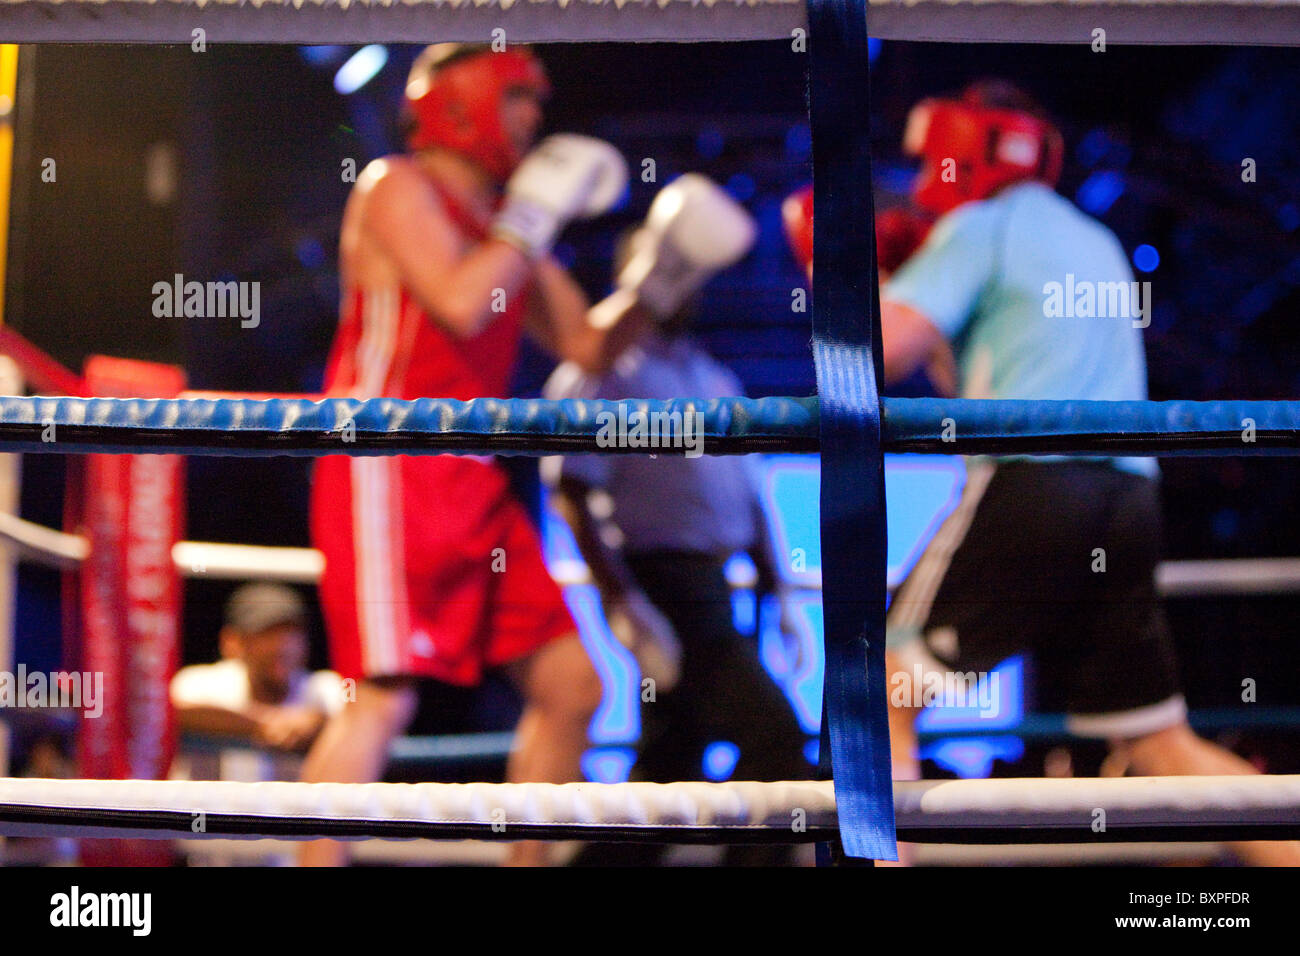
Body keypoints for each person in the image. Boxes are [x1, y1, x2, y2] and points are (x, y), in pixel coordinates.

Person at [302, 44, 755, 866]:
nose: (533, 119)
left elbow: (587, 344)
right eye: (517, 99)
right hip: (387, 460)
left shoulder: (512, 224)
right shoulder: (397, 187)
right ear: (466, 99)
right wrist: (529, 219)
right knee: (382, 698)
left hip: (473, 477)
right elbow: (463, 302)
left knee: (574, 685)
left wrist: (660, 278)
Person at [864, 79, 1300, 866]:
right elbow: (981, 386)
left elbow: (873, 356)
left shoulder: (979, 227)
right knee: (1160, 743)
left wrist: (872, 282)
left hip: (1037, 480)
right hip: (1127, 494)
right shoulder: (1094, 240)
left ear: (960, 149)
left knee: (879, 685)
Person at [545, 177, 810, 865]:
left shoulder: (710, 372)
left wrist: (780, 591)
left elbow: (745, 494)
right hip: (665, 581)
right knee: (774, 738)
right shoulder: (603, 373)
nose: (684, 291)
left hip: (720, 584)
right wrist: (622, 601)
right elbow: (570, 490)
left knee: (670, 761)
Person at [170, 583, 344, 780]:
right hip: (211, 810)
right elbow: (172, 711)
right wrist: (265, 723)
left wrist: (318, 723)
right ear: (233, 642)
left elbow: (363, 720)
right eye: (267, 634)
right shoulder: (201, 682)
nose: (282, 646)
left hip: (291, 811)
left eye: (292, 633)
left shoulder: (324, 687)